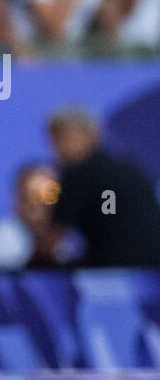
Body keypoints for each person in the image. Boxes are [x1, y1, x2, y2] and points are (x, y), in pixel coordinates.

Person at [47, 109, 160, 268]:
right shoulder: (129, 168)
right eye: (54, 139)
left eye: (64, 137)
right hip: (150, 271)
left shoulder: (77, 174)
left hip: (109, 272)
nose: (57, 147)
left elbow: (54, 237)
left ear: (91, 134)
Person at [0, 163, 60, 279]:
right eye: (30, 202)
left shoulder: (71, 240)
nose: (39, 214)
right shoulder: (6, 238)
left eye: (48, 201)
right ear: (16, 203)